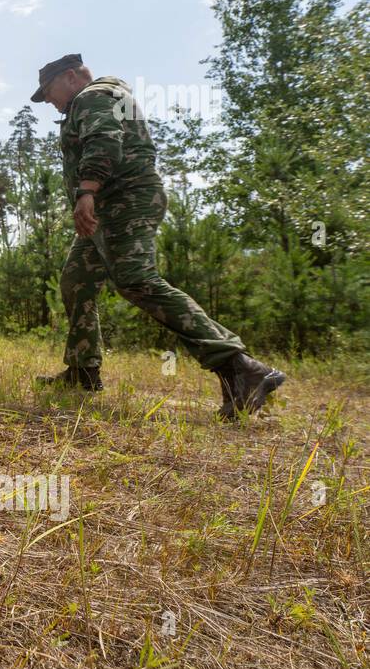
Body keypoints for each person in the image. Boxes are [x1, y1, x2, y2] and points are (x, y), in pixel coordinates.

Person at [30, 53, 286, 419]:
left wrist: (86, 191)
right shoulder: (100, 98)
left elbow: (104, 140)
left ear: (70, 77)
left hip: (123, 202)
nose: (49, 101)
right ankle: (83, 371)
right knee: (77, 279)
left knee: (137, 280)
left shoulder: (91, 97)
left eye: (48, 91)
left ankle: (240, 367)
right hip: (108, 206)